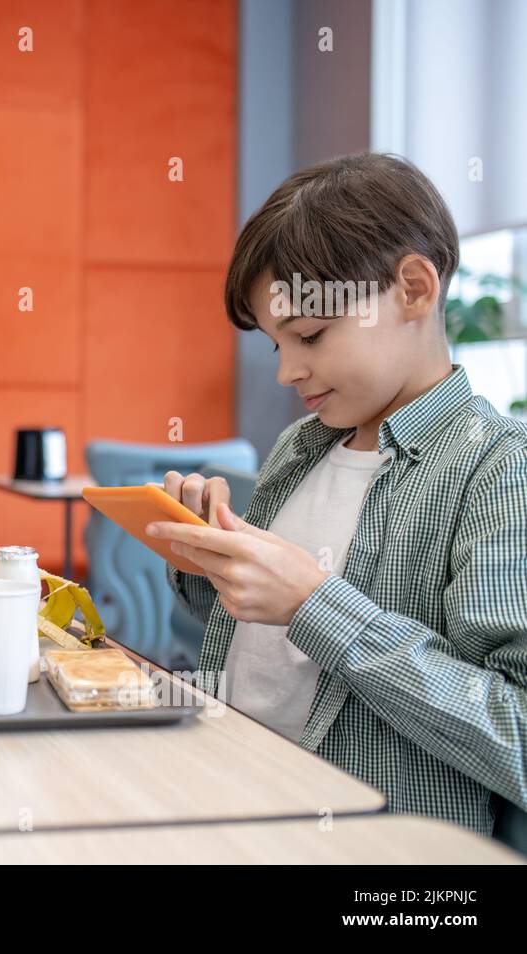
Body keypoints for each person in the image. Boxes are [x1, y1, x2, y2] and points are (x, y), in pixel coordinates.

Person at [150, 153, 526, 837]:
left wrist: (316, 606)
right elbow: (266, 651)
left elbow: (517, 734)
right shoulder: (303, 447)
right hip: (232, 806)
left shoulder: (498, 473)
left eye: (311, 336)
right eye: (276, 346)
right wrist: (209, 562)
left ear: (414, 288)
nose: (289, 370)